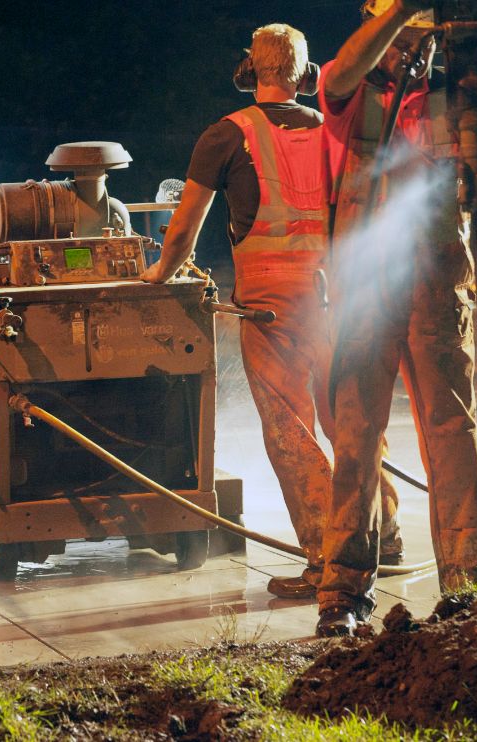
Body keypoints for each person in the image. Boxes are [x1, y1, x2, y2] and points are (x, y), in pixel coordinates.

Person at [143, 23, 403, 599]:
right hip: (340, 294)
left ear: (248, 72)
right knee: (350, 419)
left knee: (289, 427)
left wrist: (156, 275)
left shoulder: (226, 135)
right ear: (308, 76)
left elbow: (183, 230)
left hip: (272, 307)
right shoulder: (335, 133)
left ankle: (327, 556)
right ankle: (384, 530)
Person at [315, 0, 477, 636]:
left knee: (449, 424)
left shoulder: (457, 79)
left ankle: (467, 582)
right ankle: (344, 590)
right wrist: (404, 15)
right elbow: (337, 79)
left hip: (437, 268)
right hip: (367, 268)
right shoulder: (363, 78)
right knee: (357, 429)